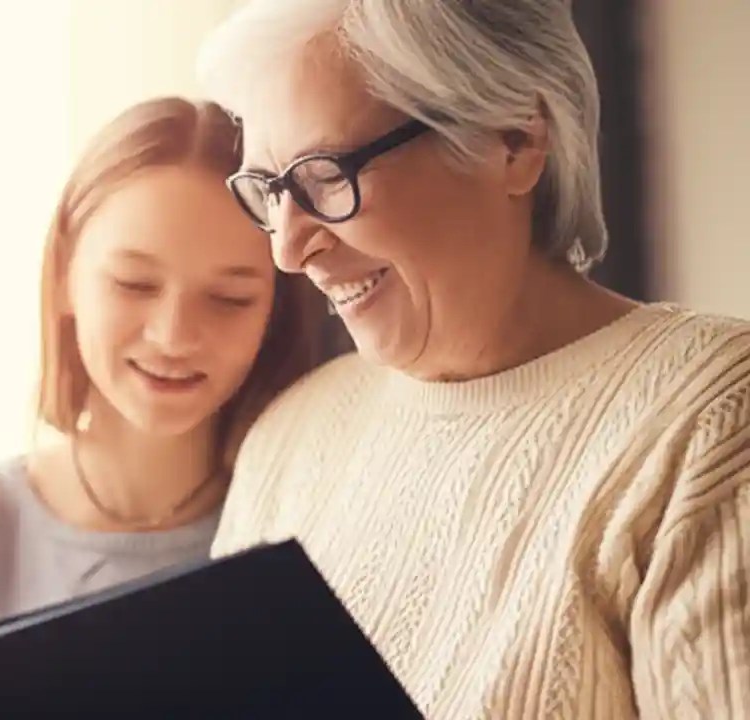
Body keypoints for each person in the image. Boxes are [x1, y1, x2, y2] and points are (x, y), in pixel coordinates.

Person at [196, 1, 749, 717]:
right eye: (269, 190)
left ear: (512, 140)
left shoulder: (711, 421)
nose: (288, 248)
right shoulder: (288, 442)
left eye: (324, 175)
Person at [0, 97, 328, 651]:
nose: (174, 336)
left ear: (273, 311)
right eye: (134, 284)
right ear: (64, 275)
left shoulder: (307, 535)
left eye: (230, 299)